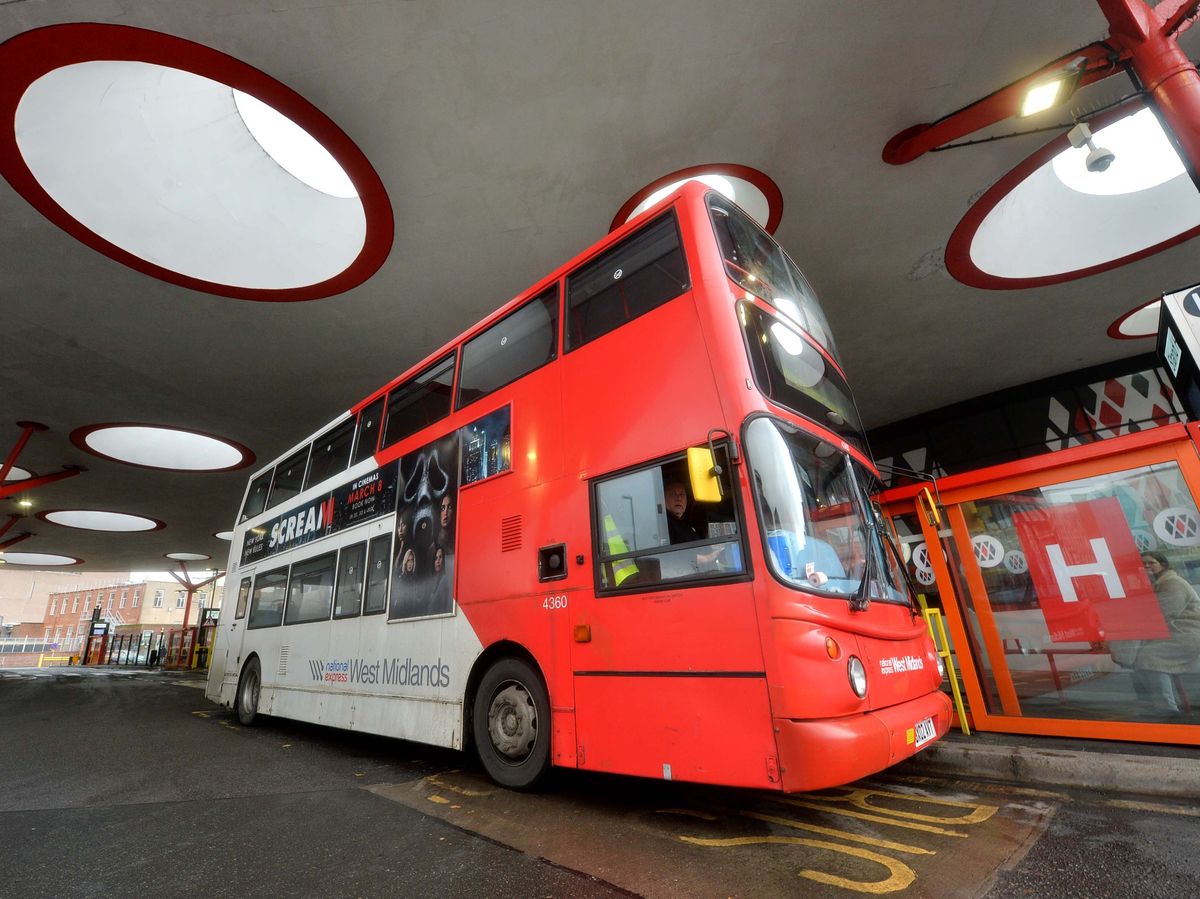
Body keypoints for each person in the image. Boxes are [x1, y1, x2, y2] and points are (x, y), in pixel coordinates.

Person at [1130, 552, 1200, 715]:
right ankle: (1160, 703)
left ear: (1163, 565)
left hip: (1188, 633)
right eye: (1143, 564)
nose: (1146, 567)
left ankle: (1167, 709)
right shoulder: (1160, 583)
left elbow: (1162, 612)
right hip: (1179, 632)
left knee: (1149, 657)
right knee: (1142, 657)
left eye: (1151, 563)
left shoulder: (1172, 583)